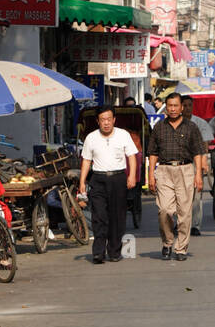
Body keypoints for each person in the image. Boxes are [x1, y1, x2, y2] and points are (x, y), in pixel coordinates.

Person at [147, 93, 205, 260]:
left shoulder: (191, 127)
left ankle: (181, 248)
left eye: (175, 106)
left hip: (185, 170)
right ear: (166, 107)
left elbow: (198, 152)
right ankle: (167, 242)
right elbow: (152, 153)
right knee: (164, 210)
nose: (172, 109)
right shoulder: (159, 127)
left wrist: (198, 175)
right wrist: (151, 175)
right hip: (164, 171)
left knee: (184, 213)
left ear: (181, 107)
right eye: (169, 105)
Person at [78, 106, 139, 265]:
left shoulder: (123, 135)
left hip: (118, 178)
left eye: (109, 119)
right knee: (99, 216)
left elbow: (132, 156)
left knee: (117, 216)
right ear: (98, 121)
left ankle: (114, 251)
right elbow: (86, 160)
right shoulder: (91, 138)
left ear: (114, 120)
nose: (106, 123)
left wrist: (131, 175)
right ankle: (98, 252)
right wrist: (82, 181)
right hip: (98, 179)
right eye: (102, 120)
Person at [188, 108, 214, 236]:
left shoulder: (200, 123)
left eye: (189, 105)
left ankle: (195, 225)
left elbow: (205, 143)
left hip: (195, 161)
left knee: (196, 195)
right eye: (185, 105)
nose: (187, 108)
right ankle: (180, 222)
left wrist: (203, 161)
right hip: (179, 163)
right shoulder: (174, 123)